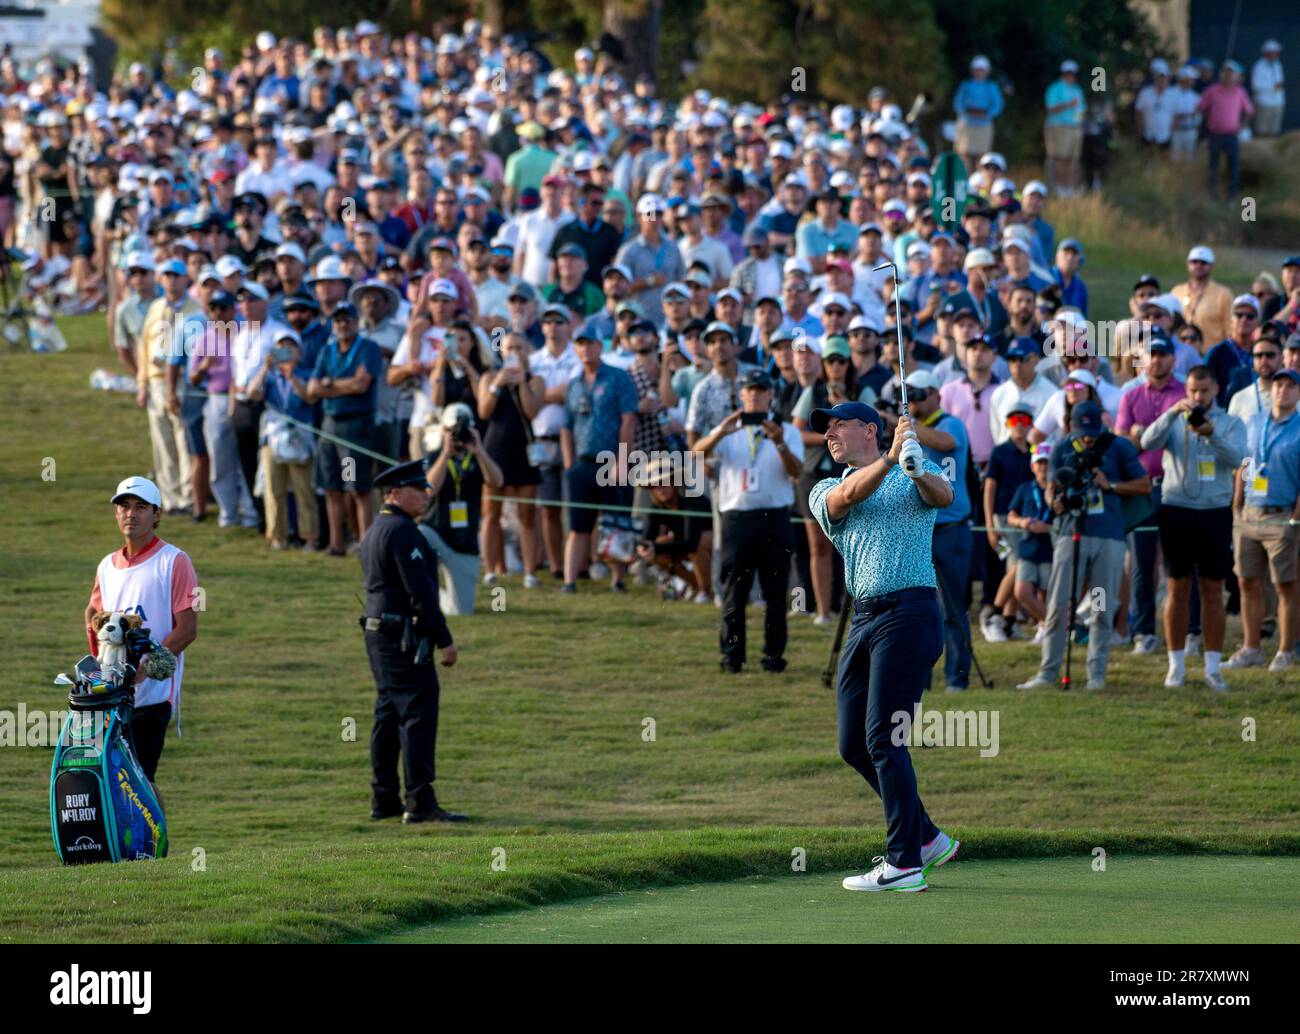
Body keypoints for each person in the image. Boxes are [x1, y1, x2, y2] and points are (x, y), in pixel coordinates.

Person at [807, 401, 958, 892]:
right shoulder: (827, 486)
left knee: (884, 739)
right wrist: (892, 459)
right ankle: (928, 837)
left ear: (869, 428)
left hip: (911, 612)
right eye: (825, 430)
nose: (830, 435)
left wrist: (914, 468)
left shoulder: (912, 463)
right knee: (853, 744)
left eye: (838, 426)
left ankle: (905, 863)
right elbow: (845, 497)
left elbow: (944, 496)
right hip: (864, 618)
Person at [1018, 402, 1151, 691]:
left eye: (1093, 432)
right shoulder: (1061, 447)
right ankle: (1047, 672)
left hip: (1109, 539)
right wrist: (1057, 502)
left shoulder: (1119, 447)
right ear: (1071, 426)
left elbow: (1144, 485)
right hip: (1070, 533)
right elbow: (1052, 489)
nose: (1088, 438)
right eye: (1083, 433)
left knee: (1102, 607)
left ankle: (1096, 674)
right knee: (1058, 605)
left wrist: (1111, 486)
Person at [360, 459, 463, 824]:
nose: (426, 494)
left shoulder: (377, 528)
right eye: (418, 489)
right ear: (396, 493)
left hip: (380, 634)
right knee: (417, 714)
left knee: (388, 714)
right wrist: (445, 641)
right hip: (400, 636)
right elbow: (420, 594)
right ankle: (419, 802)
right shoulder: (403, 532)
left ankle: (384, 798)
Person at [85, 476, 199, 783]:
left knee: (139, 780)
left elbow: (187, 629)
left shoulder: (174, 561)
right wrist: (101, 668)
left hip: (153, 696)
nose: (130, 513)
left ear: (157, 514)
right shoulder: (106, 566)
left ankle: (155, 834)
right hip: (111, 695)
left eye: (140, 507)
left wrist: (146, 667)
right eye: (123, 506)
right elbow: (94, 615)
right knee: (114, 780)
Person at [1140, 366, 1246, 690]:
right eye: (1192, 391)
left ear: (1215, 389)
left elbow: (1239, 459)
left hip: (1214, 511)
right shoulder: (1176, 419)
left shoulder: (1230, 423)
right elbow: (1147, 441)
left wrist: (1211, 434)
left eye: (1203, 390)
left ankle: (1212, 666)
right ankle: (1176, 665)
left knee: (1213, 588)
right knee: (1177, 588)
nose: (1197, 397)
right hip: (1177, 510)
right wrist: (1172, 413)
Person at [692, 370, 804, 673]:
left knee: (775, 592)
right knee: (734, 591)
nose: (754, 395)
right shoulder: (729, 430)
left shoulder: (786, 430)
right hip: (737, 518)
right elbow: (695, 452)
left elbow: (796, 471)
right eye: (749, 390)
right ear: (741, 395)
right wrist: (720, 433)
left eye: (760, 390)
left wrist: (779, 442)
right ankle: (732, 657)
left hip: (775, 516)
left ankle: (773, 656)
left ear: (770, 395)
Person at [1225, 368, 1300, 672]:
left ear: (1297, 393)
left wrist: (1296, 516)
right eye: (1278, 385)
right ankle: (1251, 647)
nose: (1282, 390)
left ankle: (1285, 650)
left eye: (1290, 386)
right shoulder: (1255, 422)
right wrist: (1237, 502)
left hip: (1282, 515)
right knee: (1246, 581)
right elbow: (1246, 461)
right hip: (1250, 514)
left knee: (1285, 585)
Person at [905, 369, 974, 692]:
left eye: (919, 395)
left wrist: (909, 427)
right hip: (920, 527)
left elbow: (946, 442)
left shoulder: (950, 423)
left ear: (935, 394)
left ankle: (957, 676)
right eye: (910, 396)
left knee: (952, 606)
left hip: (951, 528)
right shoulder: (910, 432)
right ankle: (921, 676)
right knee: (918, 606)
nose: (914, 402)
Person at [1115, 335, 1185, 655]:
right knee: (1142, 565)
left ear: (1173, 359)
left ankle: (1190, 631)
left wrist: (1142, 434)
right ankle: (1144, 632)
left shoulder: (1185, 392)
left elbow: (1177, 439)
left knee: (1181, 564)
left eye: (1162, 354)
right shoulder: (1130, 395)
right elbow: (1123, 444)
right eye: (1151, 354)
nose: (1156, 360)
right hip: (1142, 489)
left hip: (1177, 487)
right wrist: (1150, 436)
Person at [560, 326, 639, 593]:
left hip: (612, 459)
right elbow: (567, 426)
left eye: (589, 343)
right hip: (583, 460)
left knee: (615, 522)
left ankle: (617, 579)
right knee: (578, 525)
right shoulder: (574, 383)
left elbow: (628, 420)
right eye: (580, 344)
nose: (584, 349)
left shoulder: (618, 378)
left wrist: (622, 459)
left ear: (600, 346)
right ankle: (569, 580)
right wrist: (570, 464)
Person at [308, 302, 382, 555]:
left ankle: (366, 544)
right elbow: (313, 388)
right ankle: (336, 543)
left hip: (354, 425)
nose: (342, 325)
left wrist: (329, 384)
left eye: (347, 320)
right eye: (337, 320)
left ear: (356, 321)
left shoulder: (368, 348)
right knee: (331, 485)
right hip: (330, 424)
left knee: (357, 487)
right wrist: (342, 384)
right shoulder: (328, 350)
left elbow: (361, 386)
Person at [421, 403, 505, 615]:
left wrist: (480, 451)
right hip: (436, 533)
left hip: (464, 542)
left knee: (461, 611)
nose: (456, 435)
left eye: (461, 430)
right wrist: (445, 454)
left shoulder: (476, 459)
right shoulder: (434, 456)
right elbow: (429, 489)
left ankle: (433, 595)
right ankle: (420, 592)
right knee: (416, 535)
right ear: (443, 431)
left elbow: (497, 481)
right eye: (451, 430)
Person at [478, 330, 544, 586]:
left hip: (523, 450)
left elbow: (531, 411)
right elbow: (484, 411)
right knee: (491, 514)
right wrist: (498, 385)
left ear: (527, 352)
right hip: (495, 450)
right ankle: (491, 569)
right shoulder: (489, 377)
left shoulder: (535, 380)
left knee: (526, 514)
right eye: (509, 348)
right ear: (501, 351)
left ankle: (529, 572)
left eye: (519, 347)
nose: (514, 352)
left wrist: (521, 384)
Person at [1006, 444, 1055, 640]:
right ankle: (1057, 625)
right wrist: (1022, 522)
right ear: (1033, 466)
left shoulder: (1057, 488)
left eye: (1047, 462)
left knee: (1046, 593)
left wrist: (1048, 528)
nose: (1043, 466)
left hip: (1050, 549)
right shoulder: (1025, 488)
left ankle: (1046, 627)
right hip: (1028, 547)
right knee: (1022, 592)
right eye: (1039, 462)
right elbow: (1011, 515)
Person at [1197, 62, 1254, 200]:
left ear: (1235, 77)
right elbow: (1200, 107)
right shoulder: (1212, 91)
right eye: (1226, 73)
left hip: (1232, 135)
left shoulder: (1240, 92)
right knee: (1214, 166)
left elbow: (1249, 111)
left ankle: (1231, 197)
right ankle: (1213, 196)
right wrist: (1210, 121)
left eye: (1231, 74)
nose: (1228, 77)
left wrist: (1242, 126)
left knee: (1233, 166)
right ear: (1221, 74)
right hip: (1215, 134)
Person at [1173, 245, 1234, 351]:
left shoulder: (1224, 294)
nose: (1198, 265)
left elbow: (1229, 331)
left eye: (1203, 262)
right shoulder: (1176, 292)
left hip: (1209, 356)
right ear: (1187, 264)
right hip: (1179, 356)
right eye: (1194, 262)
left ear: (1212, 266)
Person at [1043, 61, 1085, 195]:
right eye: (1068, 73)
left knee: (1072, 159)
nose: (1071, 76)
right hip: (1058, 127)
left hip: (1075, 128)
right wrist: (1068, 104)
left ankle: (1069, 188)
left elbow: (1081, 109)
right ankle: (1060, 188)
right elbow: (1051, 108)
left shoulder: (1077, 89)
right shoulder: (1055, 88)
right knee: (1060, 158)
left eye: (1073, 73)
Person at [1251, 41, 1286, 138]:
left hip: (1278, 102)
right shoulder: (1259, 66)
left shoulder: (1278, 64)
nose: (1275, 55)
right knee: (1261, 130)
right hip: (1264, 103)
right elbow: (1256, 85)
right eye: (1273, 52)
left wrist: (1277, 88)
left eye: (1277, 52)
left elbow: (1280, 82)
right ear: (1267, 53)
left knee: (1274, 131)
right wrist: (1272, 87)